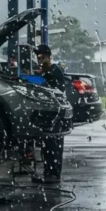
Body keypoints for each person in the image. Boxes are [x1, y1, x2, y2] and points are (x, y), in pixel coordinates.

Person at [35, 44, 66, 183]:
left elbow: (59, 90)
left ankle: (54, 173)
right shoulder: (42, 71)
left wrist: (46, 80)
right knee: (46, 144)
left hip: (56, 111)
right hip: (45, 111)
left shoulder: (56, 70)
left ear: (48, 56)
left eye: (42, 57)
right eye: (38, 58)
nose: (40, 60)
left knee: (54, 143)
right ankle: (48, 172)